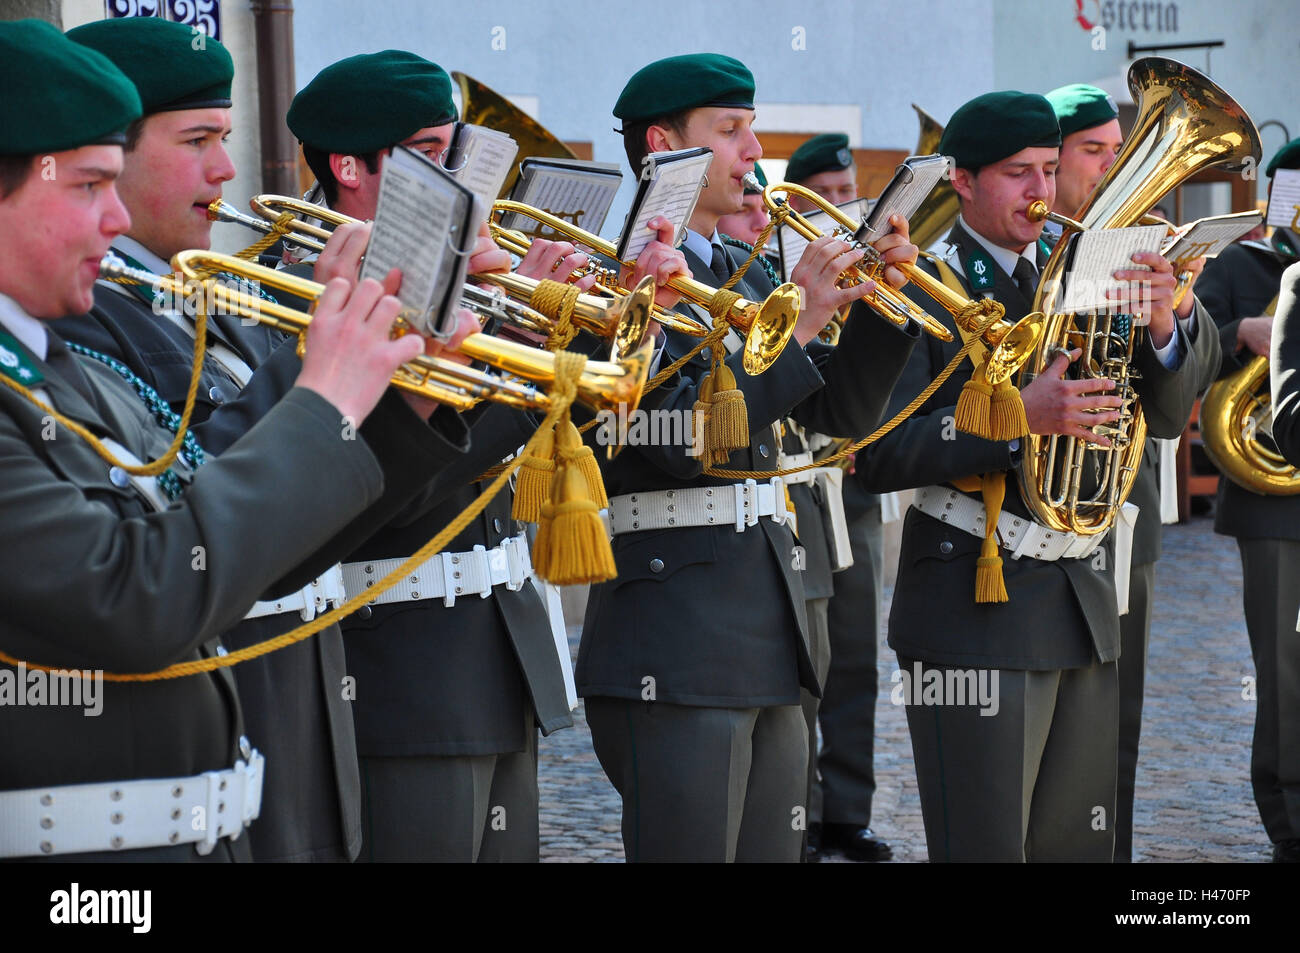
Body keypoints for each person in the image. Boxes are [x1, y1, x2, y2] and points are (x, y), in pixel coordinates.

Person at [0, 18, 466, 862]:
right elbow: (135, 592)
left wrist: (406, 398)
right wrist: (323, 396)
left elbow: (245, 539)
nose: (114, 221)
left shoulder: (50, 361)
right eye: (86, 187)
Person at [577, 52, 921, 862]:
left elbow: (834, 413)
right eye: (730, 131)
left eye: (753, 127)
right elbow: (676, 446)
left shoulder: (734, 266)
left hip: (770, 622)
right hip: (675, 633)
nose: (753, 149)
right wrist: (796, 327)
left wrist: (879, 304)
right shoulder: (609, 277)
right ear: (664, 144)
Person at [857, 90, 1210, 862]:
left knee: (1073, 849)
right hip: (973, 604)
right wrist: (1018, 417)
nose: (1040, 193)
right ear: (961, 182)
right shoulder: (918, 283)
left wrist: (1160, 322)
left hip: (1076, 601)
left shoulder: (1078, 270)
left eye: (1049, 170)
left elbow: (1169, 414)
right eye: (1018, 174)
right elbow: (875, 452)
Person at [286, 50, 582, 862]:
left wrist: (558, 332)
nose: (455, 179)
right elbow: (386, 487)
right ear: (347, 167)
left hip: (498, 654)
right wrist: (507, 351)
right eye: (426, 155)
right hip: (401, 669)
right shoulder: (302, 287)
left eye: (457, 153)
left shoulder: (461, 273)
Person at [1045, 82, 1221, 863]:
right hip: (1034, 528)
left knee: (1117, 727)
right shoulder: (1032, 253)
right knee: (1049, 737)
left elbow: (1179, 411)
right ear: (1046, 162)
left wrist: (1167, 317)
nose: (1114, 167)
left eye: (1120, 150)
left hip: (1123, 527)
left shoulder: (1145, 246)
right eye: (1095, 151)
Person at [780, 130, 891, 862]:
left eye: (849, 190)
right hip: (795, 488)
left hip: (847, 489)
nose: (844, 203)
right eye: (831, 189)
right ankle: (804, 813)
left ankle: (848, 808)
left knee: (854, 657)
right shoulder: (786, 261)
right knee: (804, 666)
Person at [1198, 137, 1300, 863]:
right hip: (1269, 493)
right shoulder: (1241, 264)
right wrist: (1243, 331)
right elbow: (1188, 352)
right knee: (1285, 660)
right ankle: (1290, 816)